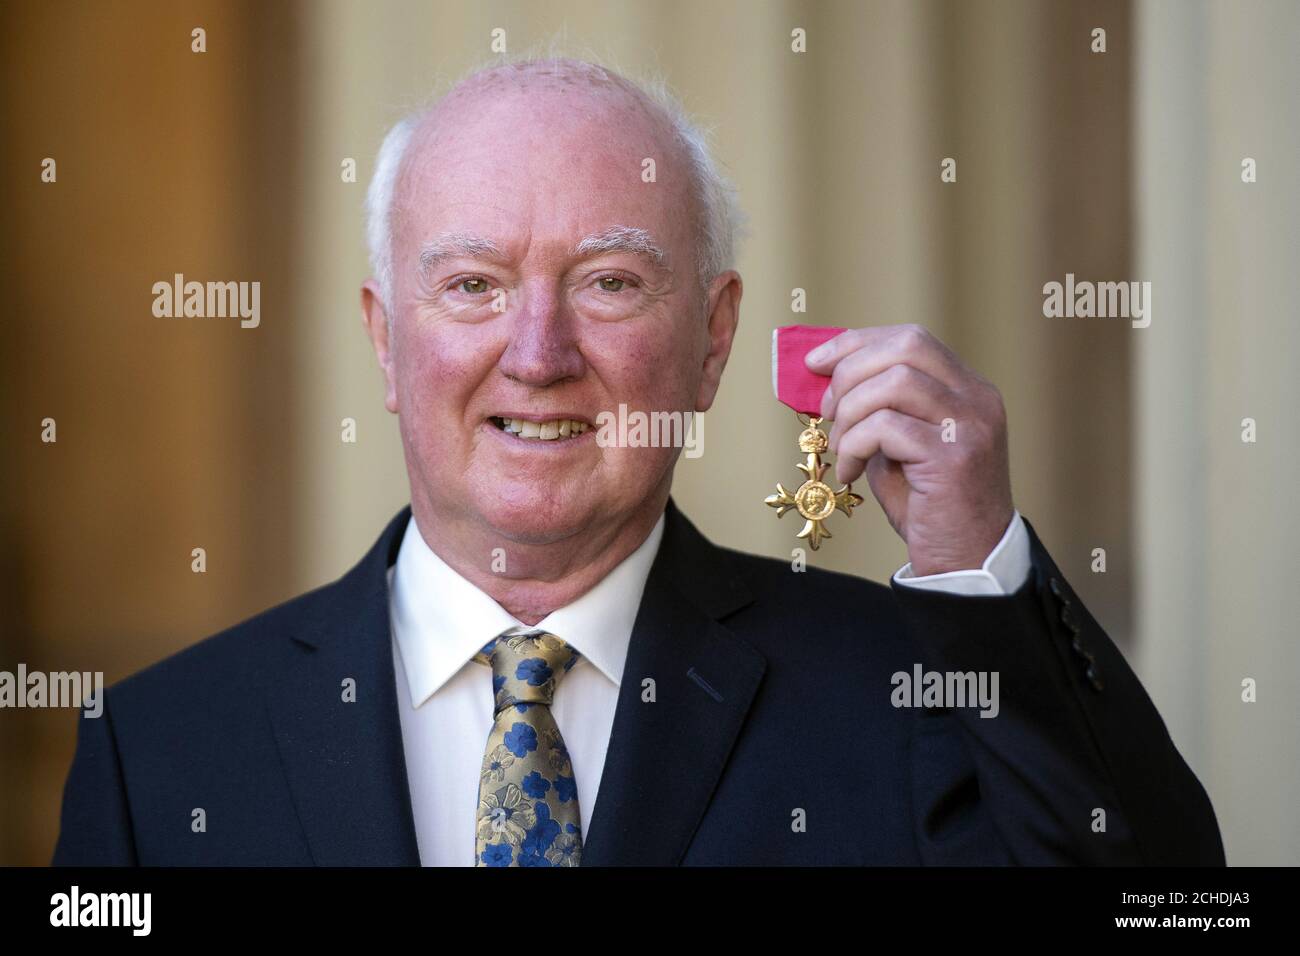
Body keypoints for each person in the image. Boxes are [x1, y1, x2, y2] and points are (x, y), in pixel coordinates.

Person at [52, 57, 1224, 867]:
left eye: (609, 283)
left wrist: (977, 570)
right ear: (383, 337)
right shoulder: (159, 751)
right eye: (472, 286)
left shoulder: (904, 691)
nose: (538, 353)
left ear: (711, 340)